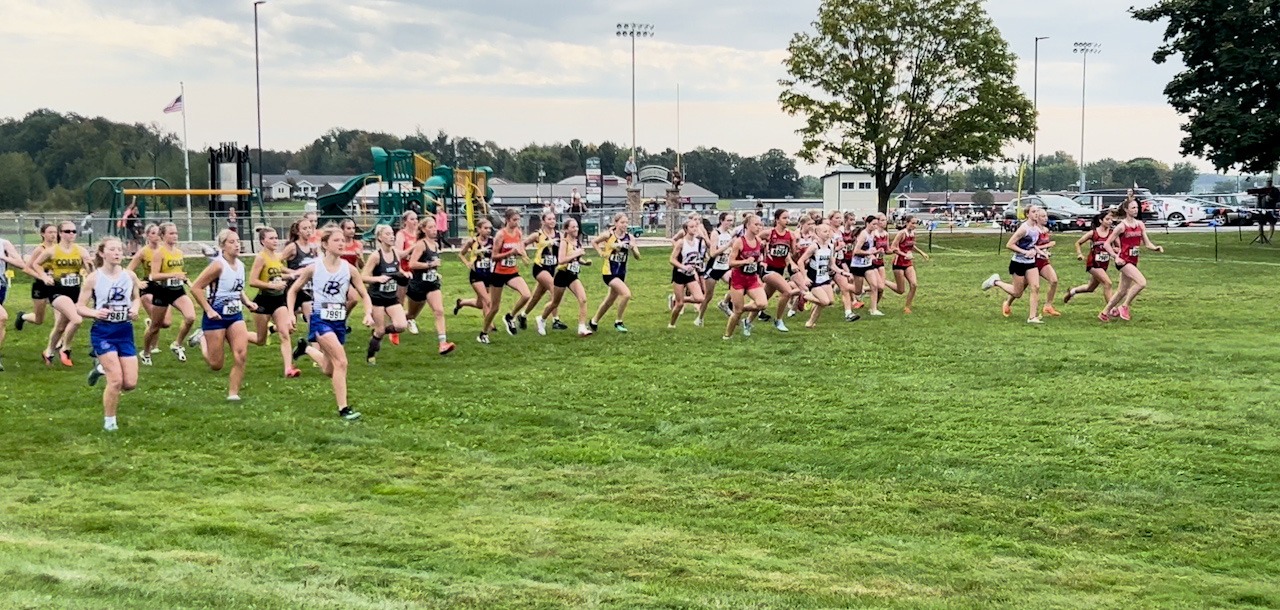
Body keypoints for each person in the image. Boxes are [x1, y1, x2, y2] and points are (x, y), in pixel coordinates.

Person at [284, 227, 375, 420]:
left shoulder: (349, 270)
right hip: (320, 320)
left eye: (343, 240)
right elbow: (293, 291)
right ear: (325, 244)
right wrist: (291, 314)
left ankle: (305, 349)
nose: (342, 243)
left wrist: (368, 313)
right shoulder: (314, 268)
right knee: (341, 362)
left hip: (338, 322)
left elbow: (364, 294)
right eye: (336, 240)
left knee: (329, 368)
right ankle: (344, 409)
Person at [79, 237, 139, 431]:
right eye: (112, 250)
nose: (117, 253)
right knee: (116, 380)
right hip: (103, 331)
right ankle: (110, 422)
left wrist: (135, 309)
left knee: (129, 383)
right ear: (102, 253)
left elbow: (136, 298)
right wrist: (95, 313)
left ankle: (100, 369)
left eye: (119, 250)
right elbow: (79, 307)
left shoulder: (129, 276)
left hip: (124, 330)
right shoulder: (94, 278)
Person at [190, 229, 258, 401]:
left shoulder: (241, 265)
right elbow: (196, 287)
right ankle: (202, 339)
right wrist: (208, 310)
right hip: (216, 317)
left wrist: (247, 302)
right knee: (216, 364)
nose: (237, 245)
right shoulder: (218, 265)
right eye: (232, 242)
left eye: (238, 241)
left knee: (241, 355)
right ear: (222, 246)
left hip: (235, 316)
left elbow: (237, 288)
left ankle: (233, 394)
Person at [29, 221, 92, 366]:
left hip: (75, 291)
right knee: (76, 319)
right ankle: (66, 348)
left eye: (74, 231)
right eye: (68, 231)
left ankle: (49, 351)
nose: (71, 234)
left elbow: (89, 270)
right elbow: (35, 264)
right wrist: (44, 277)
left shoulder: (81, 250)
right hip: (57, 291)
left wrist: (90, 267)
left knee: (61, 326)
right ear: (60, 233)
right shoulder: (52, 251)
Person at [246, 226, 302, 378]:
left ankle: (288, 369)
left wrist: (294, 274)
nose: (275, 240)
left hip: (278, 300)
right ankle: (234, 334)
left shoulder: (277, 257)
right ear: (263, 241)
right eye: (271, 238)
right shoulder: (260, 257)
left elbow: (279, 272)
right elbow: (252, 281)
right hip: (263, 300)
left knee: (285, 333)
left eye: (276, 237)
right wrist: (272, 285)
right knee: (260, 340)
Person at [140, 222, 199, 363]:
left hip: (177, 290)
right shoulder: (159, 254)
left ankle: (177, 344)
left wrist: (185, 279)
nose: (175, 236)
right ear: (163, 236)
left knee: (190, 317)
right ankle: (146, 352)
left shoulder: (179, 253)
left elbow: (178, 273)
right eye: (171, 233)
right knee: (155, 327)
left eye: (176, 233)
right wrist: (172, 276)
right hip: (162, 291)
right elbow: (153, 276)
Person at [1099, 200, 1164, 321]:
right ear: (1126, 210)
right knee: (1141, 282)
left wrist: (1155, 248)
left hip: (1133, 260)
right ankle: (1124, 306)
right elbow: (1106, 244)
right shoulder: (1121, 226)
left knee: (1122, 291)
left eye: (1137, 207)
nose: (1136, 209)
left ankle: (1104, 312)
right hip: (1123, 261)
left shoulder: (1140, 224)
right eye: (1133, 207)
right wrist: (1116, 257)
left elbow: (1147, 243)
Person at [981, 206, 1046, 324]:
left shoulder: (1037, 228)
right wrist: (1025, 252)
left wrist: (1040, 252)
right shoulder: (1023, 229)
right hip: (1018, 263)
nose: (1036, 214)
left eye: (1037, 211)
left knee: (1035, 287)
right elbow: (1010, 244)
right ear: (1027, 214)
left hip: (1031, 263)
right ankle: (996, 281)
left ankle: (1032, 317)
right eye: (1033, 212)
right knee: (1017, 293)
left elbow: (1032, 244)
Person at [403, 221, 456, 356]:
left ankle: (443, 343)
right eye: (430, 227)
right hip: (418, 285)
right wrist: (430, 265)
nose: (434, 229)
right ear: (424, 230)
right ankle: (393, 326)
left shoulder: (436, 245)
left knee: (439, 311)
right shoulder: (421, 244)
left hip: (432, 285)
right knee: (411, 315)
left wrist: (435, 272)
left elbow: (433, 266)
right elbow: (412, 264)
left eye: (434, 226)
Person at [481, 208, 533, 339]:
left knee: (526, 295)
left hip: (512, 272)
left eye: (518, 219)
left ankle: (510, 316)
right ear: (507, 220)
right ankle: (484, 333)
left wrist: (524, 256)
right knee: (494, 307)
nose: (517, 222)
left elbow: (520, 247)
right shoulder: (501, 235)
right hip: (498, 273)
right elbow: (494, 256)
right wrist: (510, 253)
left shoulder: (518, 233)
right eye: (514, 220)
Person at [363, 224, 410, 363]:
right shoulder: (375, 256)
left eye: (392, 234)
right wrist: (377, 279)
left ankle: (380, 333)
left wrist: (404, 274)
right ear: (379, 237)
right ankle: (371, 355)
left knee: (401, 325)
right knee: (380, 330)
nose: (392, 236)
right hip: (377, 297)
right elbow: (363, 277)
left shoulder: (395, 252)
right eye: (388, 234)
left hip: (391, 296)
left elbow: (397, 270)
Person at [538, 217, 593, 336]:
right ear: (566, 230)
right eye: (573, 227)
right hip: (562, 275)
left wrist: (584, 262)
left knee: (583, 299)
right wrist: (577, 253)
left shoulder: (577, 242)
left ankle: (582, 327)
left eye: (577, 227)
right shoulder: (564, 242)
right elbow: (561, 260)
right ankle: (541, 319)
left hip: (573, 275)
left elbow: (575, 259)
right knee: (555, 303)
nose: (576, 229)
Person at [590, 213, 641, 333]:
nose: (625, 225)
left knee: (610, 300)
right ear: (616, 223)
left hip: (621, 272)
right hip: (609, 272)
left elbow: (638, 257)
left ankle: (594, 321)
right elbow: (594, 242)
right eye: (622, 222)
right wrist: (601, 253)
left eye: (626, 223)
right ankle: (618, 321)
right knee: (626, 294)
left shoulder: (630, 237)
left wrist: (633, 249)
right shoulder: (609, 235)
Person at [723, 213, 768, 339]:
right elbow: (731, 263)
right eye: (756, 224)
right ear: (747, 225)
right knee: (737, 312)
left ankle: (741, 309)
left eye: (760, 224)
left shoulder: (758, 241)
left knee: (762, 304)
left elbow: (757, 258)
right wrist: (744, 262)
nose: (759, 227)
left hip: (752, 279)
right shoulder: (739, 242)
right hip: (738, 279)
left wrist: (760, 261)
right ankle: (727, 336)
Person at [454, 218, 495, 343]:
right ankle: (489, 326)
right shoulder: (472, 241)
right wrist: (467, 263)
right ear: (478, 229)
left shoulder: (493, 241)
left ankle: (461, 303)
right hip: (476, 275)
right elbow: (461, 254)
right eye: (485, 228)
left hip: (488, 274)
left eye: (489, 228)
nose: (488, 231)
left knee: (480, 303)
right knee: (487, 301)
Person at [14, 224, 59, 336]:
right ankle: (23, 316)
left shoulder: (58, 248)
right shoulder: (40, 249)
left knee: (60, 313)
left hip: (56, 285)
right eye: (50, 232)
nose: (53, 235)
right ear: (43, 234)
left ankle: (60, 342)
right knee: (39, 320)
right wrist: (43, 277)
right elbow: (26, 268)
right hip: (40, 285)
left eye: (55, 232)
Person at [759, 209, 799, 331]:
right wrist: (761, 246)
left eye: (788, 218)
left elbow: (793, 253)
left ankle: (746, 317)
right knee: (786, 292)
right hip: (767, 268)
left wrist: (797, 250)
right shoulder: (769, 233)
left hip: (780, 269)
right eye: (784, 218)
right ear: (777, 219)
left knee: (763, 298)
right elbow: (754, 240)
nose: (787, 220)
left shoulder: (791, 235)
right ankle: (779, 320)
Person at [520, 211, 560, 333]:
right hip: (540, 268)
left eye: (554, 218)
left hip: (552, 268)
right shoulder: (538, 234)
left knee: (536, 297)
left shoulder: (559, 235)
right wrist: (524, 256)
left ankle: (523, 315)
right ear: (543, 221)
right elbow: (523, 244)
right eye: (549, 219)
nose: (552, 221)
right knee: (554, 289)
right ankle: (554, 320)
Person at [1064, 213, 1115, 307]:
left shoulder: (1112, 233)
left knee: (1090, 288)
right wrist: (1079, 254)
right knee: (1108, 283)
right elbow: (1078, 243)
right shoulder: (1093, 233)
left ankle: (1072, 292)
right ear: (1101, 220)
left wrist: (1115, 251)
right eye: (1107, 219)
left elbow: (1118, 247)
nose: (1110, 222)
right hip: (1093, 263)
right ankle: (1111, 309)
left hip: (1104, 264)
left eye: (1111, 220)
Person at [794, 222, 838, 329]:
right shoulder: (814, 246)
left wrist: (842, 272)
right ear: (817, 233)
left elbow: (832, 264)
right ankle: (805, 295)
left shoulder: (830, 246)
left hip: (825, 277)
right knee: (824, 301)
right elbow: (800, 261)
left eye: (829, 231)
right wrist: (805, 277)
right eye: (825, 231)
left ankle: (810, 323)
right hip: (814, 278)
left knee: (830, 301)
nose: (828, 234)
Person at [696, 212, 735, 326]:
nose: (730, 223)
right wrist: (727, 246)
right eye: (728, 220)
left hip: (725, 267)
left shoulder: (729, 234)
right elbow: (713, 253)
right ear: (722, 221)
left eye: (731, 221)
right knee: (708, 296)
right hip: (714, 268)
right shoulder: (715, 233)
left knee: (736, 284)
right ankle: (700, 317)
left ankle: (724, 303)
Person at [886, 215, 931, 314]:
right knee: (900, 290)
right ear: (907, 223)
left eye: (916, 223)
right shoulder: (901, 233)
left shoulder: (912, 233)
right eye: (912, 223)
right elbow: (893, 248)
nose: (914, 225)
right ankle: (884, 281)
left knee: (914, 284)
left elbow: (911, 245)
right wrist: (904, 254)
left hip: (908, 263)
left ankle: (907, 307)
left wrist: (921, 253)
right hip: (898, 263)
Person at [667, 218, 707, 328]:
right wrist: (683, 267)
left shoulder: (698, 242)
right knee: (679, 304)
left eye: (696, 226)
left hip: (690, 274)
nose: (695, 229)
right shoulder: (681, 242)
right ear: (686, 229)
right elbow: (672, 259)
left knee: (700, 298)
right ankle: (672, 324)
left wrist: (696, 266)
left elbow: (696, 257)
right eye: (692, 227)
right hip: (679, 274)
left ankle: (676, 298)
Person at [0, 235, 28, 371]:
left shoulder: (3, 243)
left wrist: (3, 257)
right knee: (2, 317)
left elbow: (21, 264)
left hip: (1, 286)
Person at [395, 211, 420, 335]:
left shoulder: (419, 235)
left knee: (418, 298)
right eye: (412, 219)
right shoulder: (401, 234)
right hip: (404, 270)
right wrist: (414, 247)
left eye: (416, 219)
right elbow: (399, 254)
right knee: (400, 300)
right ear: (405, 221)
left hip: (417, 271)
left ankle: (410, 318)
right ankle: (397, 323)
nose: (415, 221)